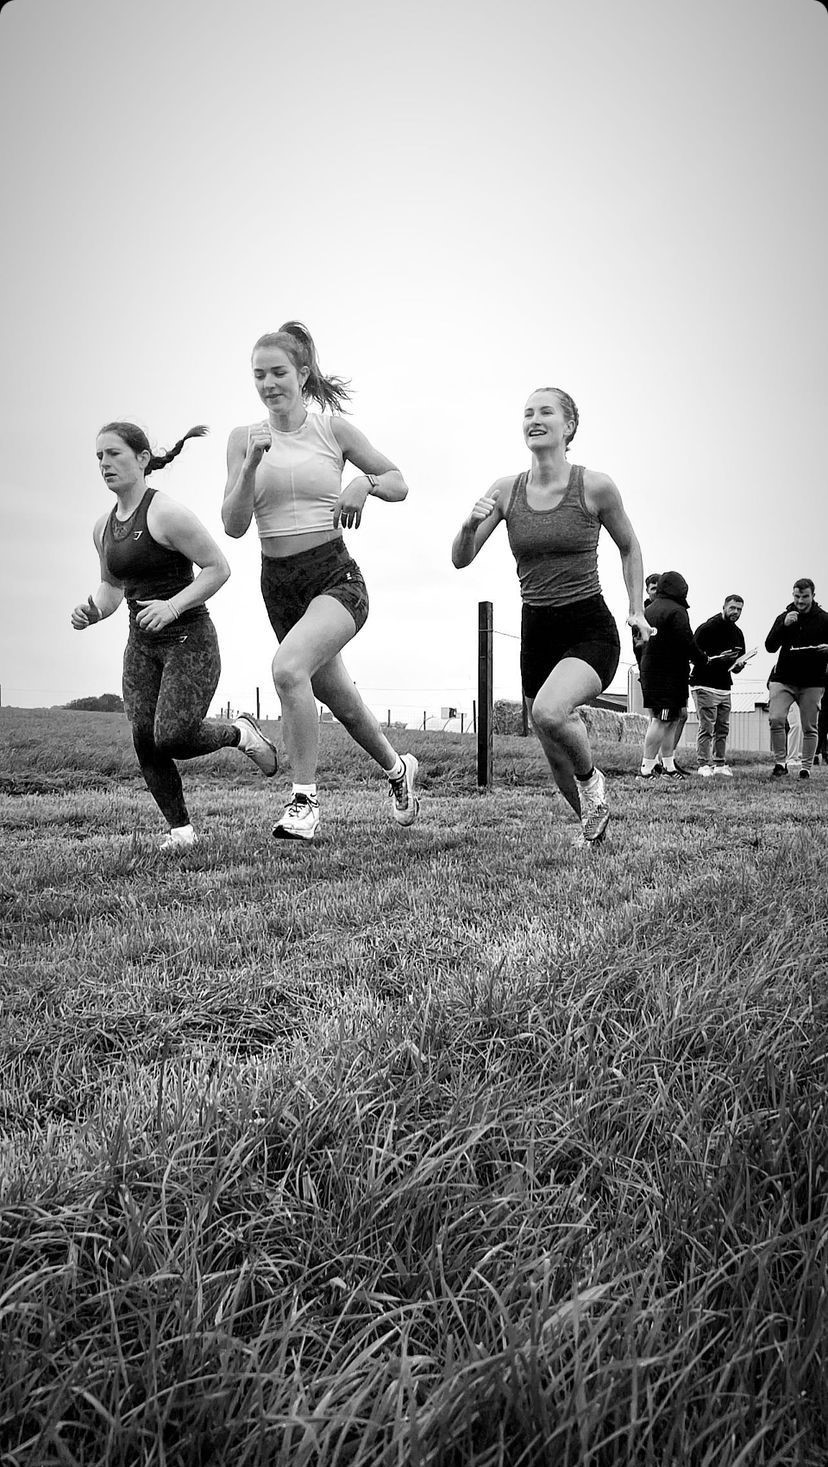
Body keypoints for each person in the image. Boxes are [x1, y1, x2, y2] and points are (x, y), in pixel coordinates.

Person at [222, 321, 419, 842]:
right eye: (258, 375)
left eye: (278, 372)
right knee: (342, 701)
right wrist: (249, 465)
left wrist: (364, 483)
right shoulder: (243, 439)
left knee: (288, 670)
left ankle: (303, 802)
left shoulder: (333, 430)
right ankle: (399, 770)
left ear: (302, 373)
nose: (268, 384)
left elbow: (400, 483)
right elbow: (233, 525)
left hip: (335, 576)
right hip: (279, 583)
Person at [452, 385, 650, 846]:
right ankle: (593, 829)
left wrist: (636, 609)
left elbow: (630, 547)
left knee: (550, 710)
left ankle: (593, 780)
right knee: (553, 748)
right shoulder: (506, 490)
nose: (534, 420)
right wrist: (466, 526)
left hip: (588, 627)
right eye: (527, 413)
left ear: (570, 426)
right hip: (536, 629)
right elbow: (461, 559)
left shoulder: (594, 485)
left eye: (545, 412)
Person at [71, 422, 278, 850]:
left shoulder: (165, 513)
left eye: (114, 454)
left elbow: (218, 567)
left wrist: (172, 607)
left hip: (189, 639)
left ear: (143, 459)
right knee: (144, 738)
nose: (105, 464)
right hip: (141, 644)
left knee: (173, 736)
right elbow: (111, 591)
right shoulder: (102, 528)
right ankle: (181, 832)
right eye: (99, 457)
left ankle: (239, 733)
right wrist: (92, 612)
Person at [637, 572, 731, 781]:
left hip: (656, 670)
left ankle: (668, 766)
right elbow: (686, 640)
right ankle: (646, 769)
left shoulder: (649, 610)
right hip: (667, 673)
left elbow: (639, 643)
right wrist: (702, 659)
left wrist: (643, 667)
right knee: (661, 721)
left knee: (671, 719)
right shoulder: (677, 611)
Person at [765, 578, 828, 780]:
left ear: (813, 596)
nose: (800, 601)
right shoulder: (785, 617)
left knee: (809, 726)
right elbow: (770, 646)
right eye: (797, 596)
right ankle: (780, 763)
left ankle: (806, 767)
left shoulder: (824, 619)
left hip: (812, 681)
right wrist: (783, 625)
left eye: (805, 596)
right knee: (776, 718)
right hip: (783, 678)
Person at [689, 594, 746, 776]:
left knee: (722, 727)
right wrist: (716, 658)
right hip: (704, 684)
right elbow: (693, 654)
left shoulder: (738, 634)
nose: (735, 612)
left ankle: (720, 763)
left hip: (724, 686)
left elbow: (736, 664)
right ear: (724, 607)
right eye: (732, 608)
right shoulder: (707, 628)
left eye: (739, 609)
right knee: (707, 726)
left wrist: (738, 665)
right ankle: (703, 764)